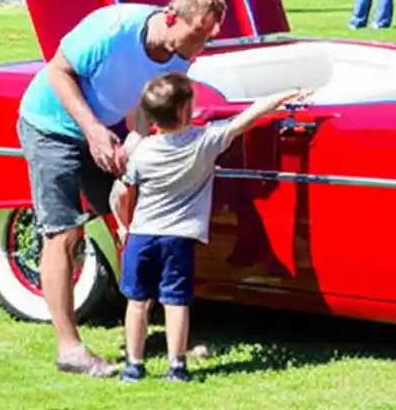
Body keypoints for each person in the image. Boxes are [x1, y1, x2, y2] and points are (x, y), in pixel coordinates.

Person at [15, 0, 226, 377]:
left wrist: (136, 147)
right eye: (199, 35)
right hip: (50, 125)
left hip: (107, 129)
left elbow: (147, 104)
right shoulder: (112, 29)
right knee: (62, 233)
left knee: (138, 220)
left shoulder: (179, 54)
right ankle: (69, 348)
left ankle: (164, 338)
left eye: (209, 38)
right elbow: (58, 72)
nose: (201, 49)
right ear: (171, 17)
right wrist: (93, 131)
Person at [112, 73, 311, 382]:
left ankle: (134, 366)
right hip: (178, 238)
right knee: (175, 301)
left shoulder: (144, 152)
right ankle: (177, 367)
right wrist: (285, 94)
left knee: (137, 302)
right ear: (182, 111)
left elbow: (125, 192)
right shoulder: (204, 141)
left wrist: (125, 226)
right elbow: (248, 117)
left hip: (142, 235)